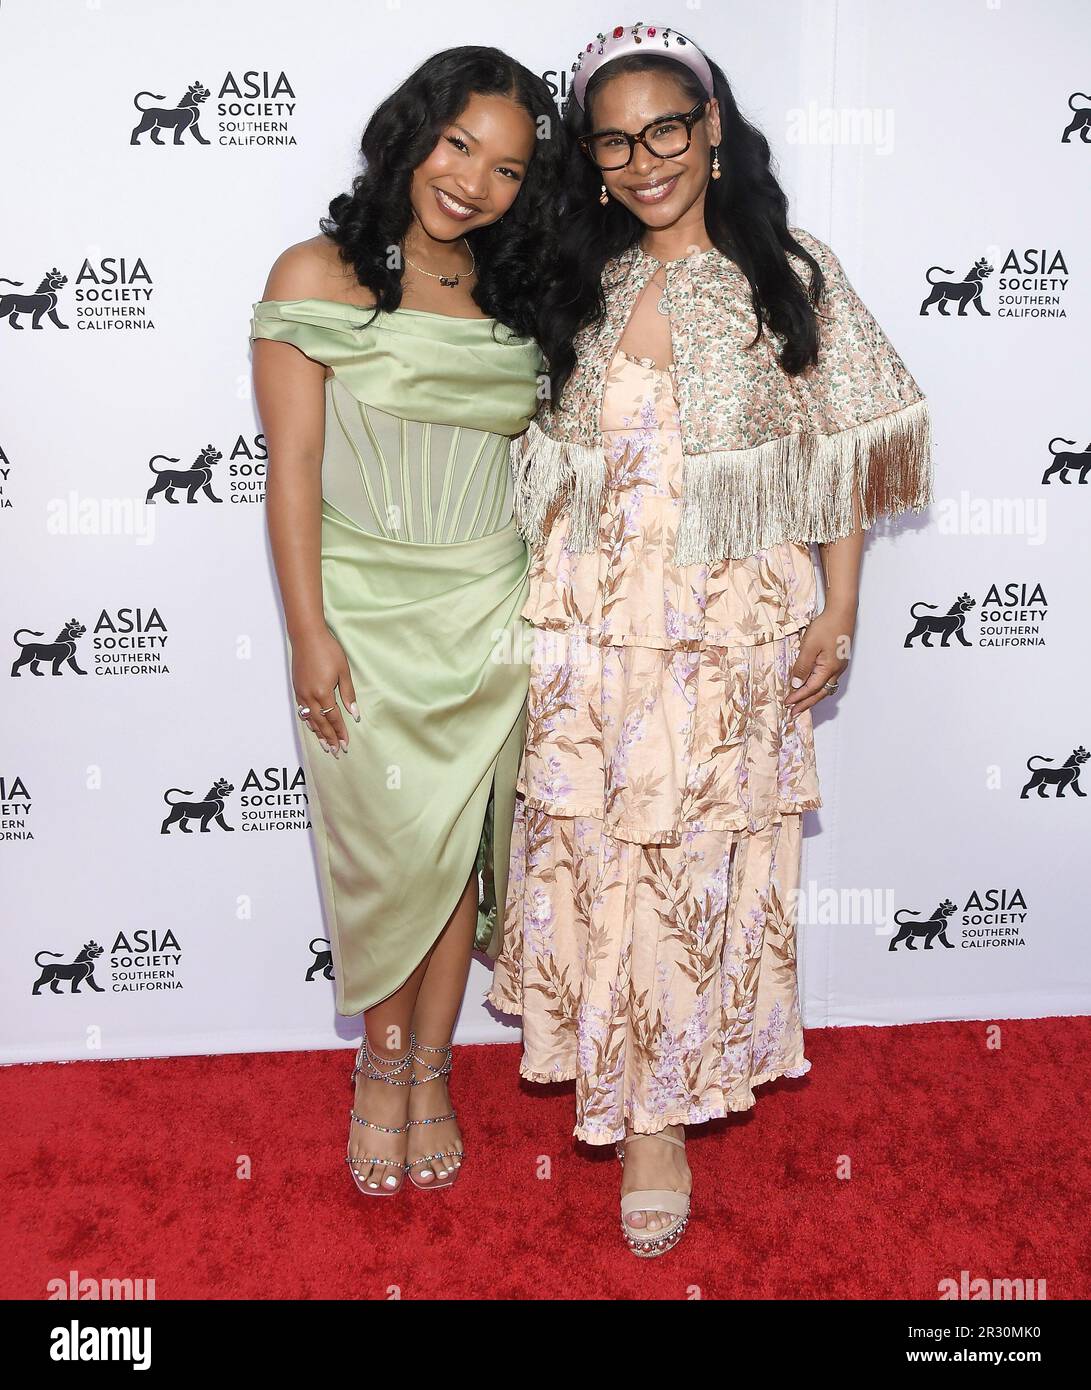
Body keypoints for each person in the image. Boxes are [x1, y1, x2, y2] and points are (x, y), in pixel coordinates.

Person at [488, 21, 933, 1255]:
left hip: (727, 630)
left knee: (695, 863)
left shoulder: (793, 270)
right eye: (614, 141)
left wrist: (839, 608)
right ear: (591, 155)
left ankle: (660, 1126)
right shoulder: (579, 278)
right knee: (597, 856)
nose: (644, 161)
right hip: (590, 627)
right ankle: (624, 1092)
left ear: (713, 129)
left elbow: (843, 457)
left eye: (666, 130)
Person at [250, 47, 564, 1197]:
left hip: (494, 611)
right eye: (457, 145)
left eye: (509, 169)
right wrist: (308, 632)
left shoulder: (512, 294)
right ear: (411, 132)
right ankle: (377, 1066)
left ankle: (428, 1071)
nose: (474, 183)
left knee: (456, 863)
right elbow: (291, 470)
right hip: (365, 617)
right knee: (390, 858)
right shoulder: (316, 274)